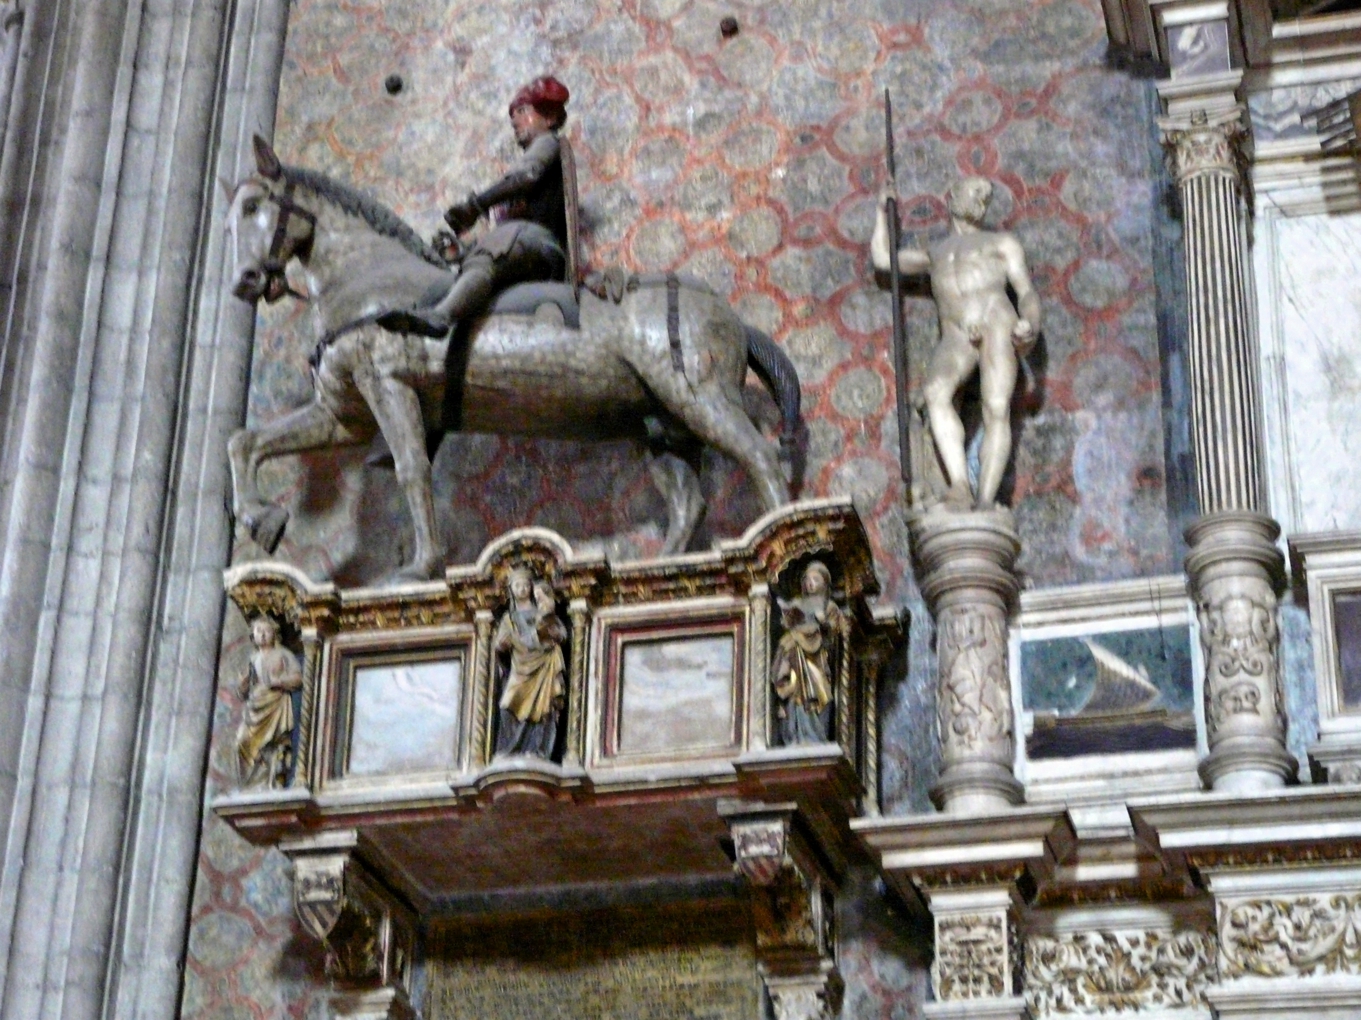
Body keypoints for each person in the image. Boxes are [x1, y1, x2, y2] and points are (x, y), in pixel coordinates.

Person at [871, 177, 1041, 511]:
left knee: (995, 408)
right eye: (975, 191)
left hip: (996, 321)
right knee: (935, 393)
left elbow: (1026, 291)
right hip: (956, 332)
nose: (981, 198)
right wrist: (881, 212)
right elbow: (883, 260)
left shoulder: (1001, 243)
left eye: (986, 195)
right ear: (952, 197)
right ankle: (960, 484)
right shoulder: (936, 253)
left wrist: (1031, 323)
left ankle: (986, 501)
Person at [392, 76, 572, 338]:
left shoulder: (547, 143)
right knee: (479, 260)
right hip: (523, 242)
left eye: (523, 111)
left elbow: (527, 176)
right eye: (514, 114)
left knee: (494, 249)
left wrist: (475, 206)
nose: (515, 121)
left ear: (550, 118)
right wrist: (462, 251)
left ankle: (440, 318)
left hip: (537, 239)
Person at [493, 568, 567, 760]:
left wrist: (549, 631)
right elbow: (499, 644)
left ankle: (537, 750)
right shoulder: (508, 619)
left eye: (526, 585)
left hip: (543, 664)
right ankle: (510, 750)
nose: (522, 589)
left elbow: (560, 633)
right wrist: (503, 645)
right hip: (519, 667)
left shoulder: (541, 611)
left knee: (543, 708)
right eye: (518, 585)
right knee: (507, 706)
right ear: (511, 589)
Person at [771, 560, 843, 745]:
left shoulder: (829, 607)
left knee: (819, 692)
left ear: (824, 584)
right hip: (796, 653)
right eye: (808, 579)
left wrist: (823, 622)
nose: (811, 583)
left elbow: (837, 634)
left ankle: (816, 735)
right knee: (796, 692)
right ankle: (796, 734)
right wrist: (789, 618)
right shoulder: (797, 602)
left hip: (817, 657)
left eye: (816, 579)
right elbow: (786, 623)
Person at [235, 616, 303, 788]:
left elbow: (298, 678)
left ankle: (271, 782)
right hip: (255, 707)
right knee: (241, 742)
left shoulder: (284, 654)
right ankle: (249, 786)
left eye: (266, 631)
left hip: (275, 704)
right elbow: (244, 689)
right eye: (258, 631)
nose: (263, 635)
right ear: (253, 636)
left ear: (275, 634)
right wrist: (242, 686)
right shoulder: (253, 659)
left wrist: (279, 682)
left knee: (272, 746)